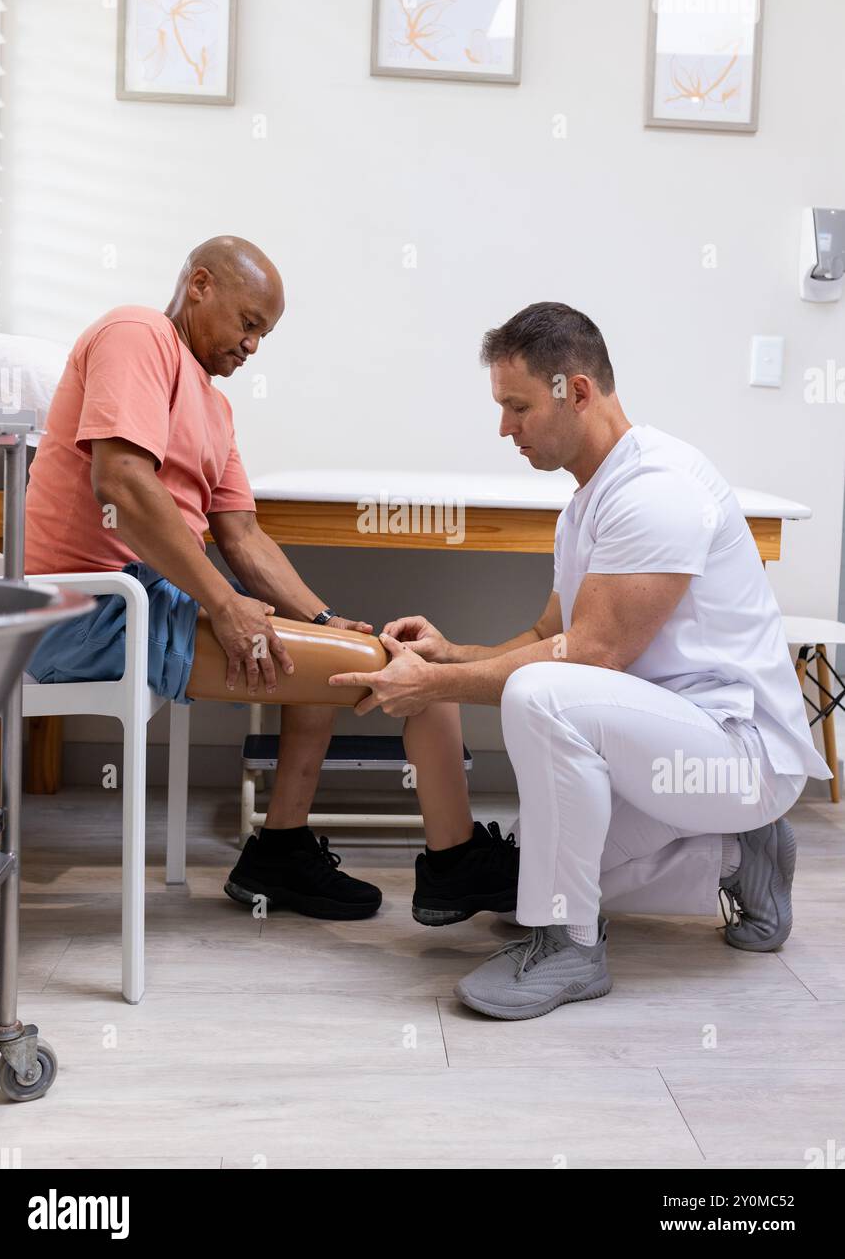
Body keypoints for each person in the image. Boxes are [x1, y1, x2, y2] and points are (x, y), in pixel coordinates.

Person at [330, 301, 832, 1020]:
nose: (504, 427)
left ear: (577, 392)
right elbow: (550, 632)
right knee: (531, 874)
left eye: (517, 406)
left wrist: (433, 684)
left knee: (542, 699)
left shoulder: (658, 489)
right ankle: (738, 857)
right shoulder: (586, 502)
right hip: (672, 743)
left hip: (736, 751)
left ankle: (568, 950)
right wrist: (453, 653)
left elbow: (591, 655)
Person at [24, 236, 520, 924]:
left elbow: (243, 535)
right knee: (407, 672)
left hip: (143, 599)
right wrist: (223, 604)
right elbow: (123, 484)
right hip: (88, 608)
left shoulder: (215, 409)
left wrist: (320, 620)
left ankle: (278, 852)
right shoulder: (136, 334)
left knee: (312, 661)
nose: (252, 345)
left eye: (264, 334)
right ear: (199, 284)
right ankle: (455, 867)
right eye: (248, 323)